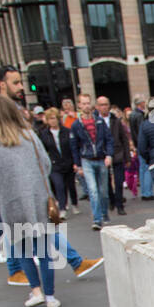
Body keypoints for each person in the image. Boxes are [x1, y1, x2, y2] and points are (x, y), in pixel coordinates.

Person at [0, 95, 62, 307]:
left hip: (11, 202)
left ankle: (36, 291)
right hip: (38, 199)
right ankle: (51, 297)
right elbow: (46, 165)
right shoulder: (30, 136)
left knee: (23, 249)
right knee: (43, 250)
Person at [69, 92, 113, 229]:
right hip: (87, 159)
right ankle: (97, 219)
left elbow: (109, 139)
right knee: (93, 190)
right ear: (79, 105)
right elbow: (74, 146)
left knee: (104, 191)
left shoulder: (99, 121)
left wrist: (109, 155)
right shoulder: (76, 125)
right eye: (84, 103)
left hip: (101, 158)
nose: (86, 106)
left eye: (88, 103)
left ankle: (104, 213)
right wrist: (78, 164)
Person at [97, 96, 131, 217]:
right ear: (97, 107)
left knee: (118, 180)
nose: (104, 107)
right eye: (101, 105)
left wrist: (127, 157)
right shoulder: (95, 121)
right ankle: (111, 200)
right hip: (102, 155)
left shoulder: (116, 121)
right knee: (105, 181)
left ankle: (119, 204)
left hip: (117, 154)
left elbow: (124, 139)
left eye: (106, 104)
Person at [128, 94, 154, 199]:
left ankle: (144, 191)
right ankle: (147, 192)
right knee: (147, 168)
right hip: (143, 144)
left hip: (138, 144)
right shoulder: (139, 116)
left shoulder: (132, 115)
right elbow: (142, 131)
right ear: (141, 103)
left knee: (142, 168)